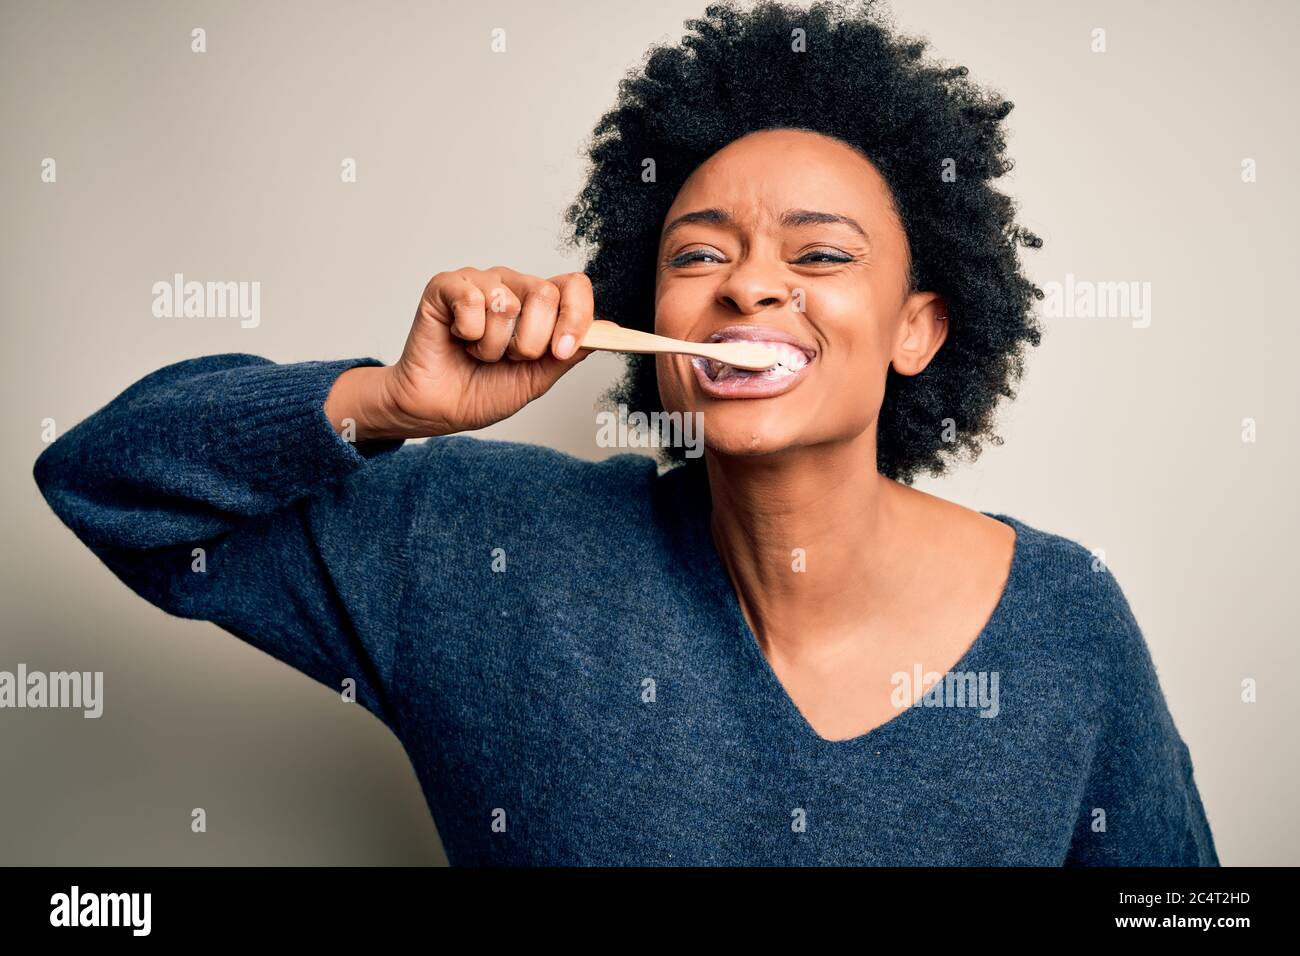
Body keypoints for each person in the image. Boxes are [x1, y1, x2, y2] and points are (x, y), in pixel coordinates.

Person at [32, 0, 1218, 865]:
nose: (751, 285)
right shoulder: (475, 549)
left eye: (818, 254)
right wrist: (387, 401)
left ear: (918, 327)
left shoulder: (1066, 620)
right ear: (649, 317)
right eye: (699, 252)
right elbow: (105, 482)